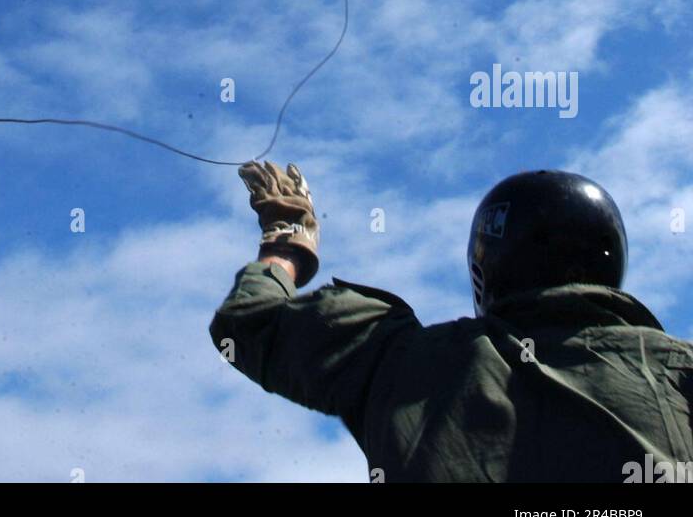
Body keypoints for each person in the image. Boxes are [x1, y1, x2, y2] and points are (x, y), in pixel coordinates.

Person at [210, 162, 693, 483]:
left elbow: (252, 320)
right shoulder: (680, 371)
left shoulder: (401, 360)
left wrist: (286, 242)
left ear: (485, 269)